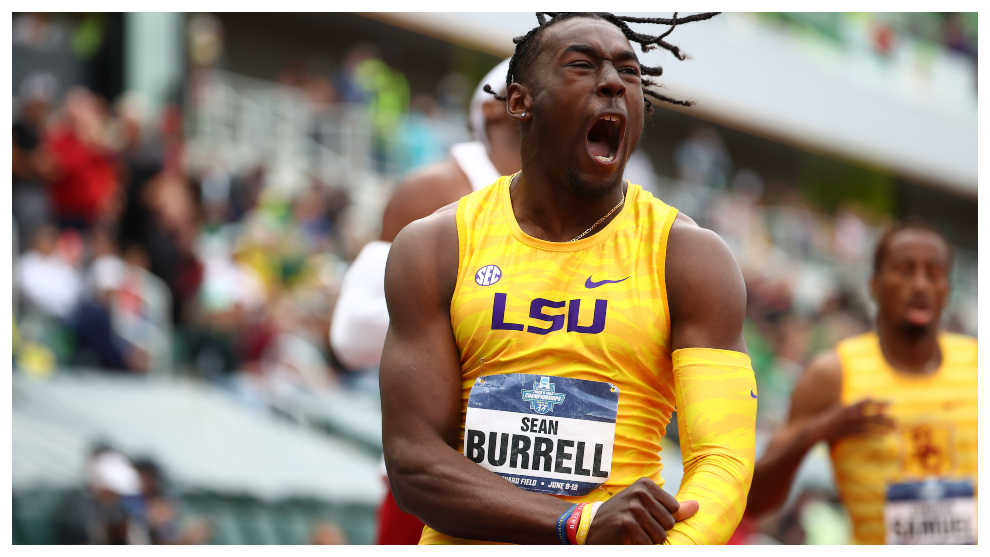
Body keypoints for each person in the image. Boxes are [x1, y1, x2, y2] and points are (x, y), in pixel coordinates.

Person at [380, 12, 757, 545]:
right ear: (519, 102)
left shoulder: (691, 259)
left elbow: (723, 461)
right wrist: (576, 523)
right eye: (582, 65)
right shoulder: (436, 247)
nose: (612, 81)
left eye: (629, 72)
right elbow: (413, 463)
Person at [745, 220, 977, 545]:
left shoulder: (979, 365)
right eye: (904, 270)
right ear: (875, 284)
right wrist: (819, 431)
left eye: (934, 273)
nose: (921, 285)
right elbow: (755, 501)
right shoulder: (833, 375)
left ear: (947, 290)